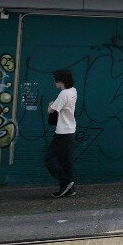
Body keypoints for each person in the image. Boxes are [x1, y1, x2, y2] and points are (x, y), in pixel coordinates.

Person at [46, 69, 77, 197]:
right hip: (70, 130)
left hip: (63, 132)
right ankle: (70, 189)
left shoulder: (64, 94)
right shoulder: (73, 91)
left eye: (55, 79)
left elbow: (50, 110)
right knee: (65, 160)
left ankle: (66, 182)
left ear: (61, 81)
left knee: (48, 159)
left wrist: (51, 104)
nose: (54, 81)